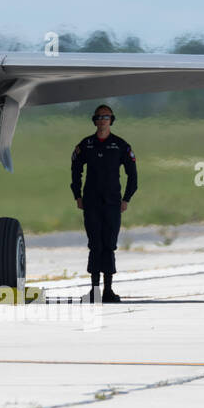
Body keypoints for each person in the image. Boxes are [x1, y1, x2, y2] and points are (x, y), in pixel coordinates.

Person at [70, 104, 137, 302]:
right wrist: (77, 195)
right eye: (98, 117)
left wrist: (126, 198)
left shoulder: (120, 145)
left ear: (111, 120)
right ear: (94, 120)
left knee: (109, 245)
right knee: (95, 245)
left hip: (112, 203)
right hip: (91, 202)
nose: (102, 121)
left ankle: (108, 289)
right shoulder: (86, 144)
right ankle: (95, 290)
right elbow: (75, 169)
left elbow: (132, 175)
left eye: (106, 117)